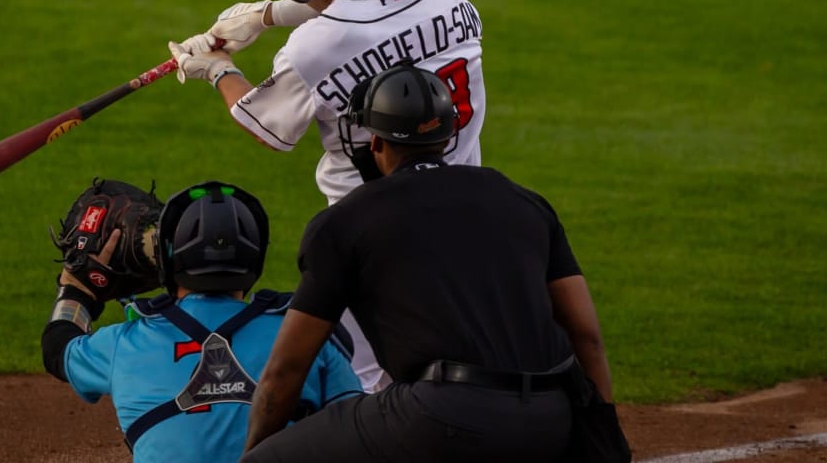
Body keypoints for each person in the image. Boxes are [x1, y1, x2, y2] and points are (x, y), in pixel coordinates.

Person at [167, 0, 488, 390]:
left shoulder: (314, 49)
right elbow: (381, 4)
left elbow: (265, 126)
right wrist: (268, 15)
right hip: (471, 207)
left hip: (373, 234)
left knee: (356, 383)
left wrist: (217, 68)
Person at [239, 64, 619, 462]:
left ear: (376, 143)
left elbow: (286, 368)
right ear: (447, 133)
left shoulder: (346, 221)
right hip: (549, 417)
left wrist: (253, 456)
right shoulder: (523, 201)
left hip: (444, 419)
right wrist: (602, 435)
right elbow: (586, 335)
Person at [41, 179, 362, 463]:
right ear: (255, 256)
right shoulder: (303, 335)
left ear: (169, 260)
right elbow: (354, 429)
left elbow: (58, 348)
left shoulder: (124, 344)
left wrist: (77, 287)